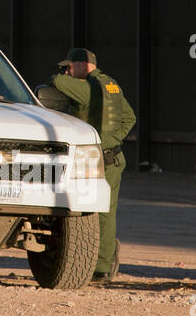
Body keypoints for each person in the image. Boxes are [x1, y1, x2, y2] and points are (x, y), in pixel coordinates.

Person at [47, 47, 136, 281]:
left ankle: (100, 267)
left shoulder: (87, 88)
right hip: (114, 156)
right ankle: (104, 264)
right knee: (107, 212)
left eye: (69, 67)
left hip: (96, 159)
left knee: (91, 212)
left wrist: (61, 76)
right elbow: (130, 117)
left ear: (82, 66)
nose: (67, 71)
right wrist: (113, 139)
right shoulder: (111, 86)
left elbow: (55, 81)